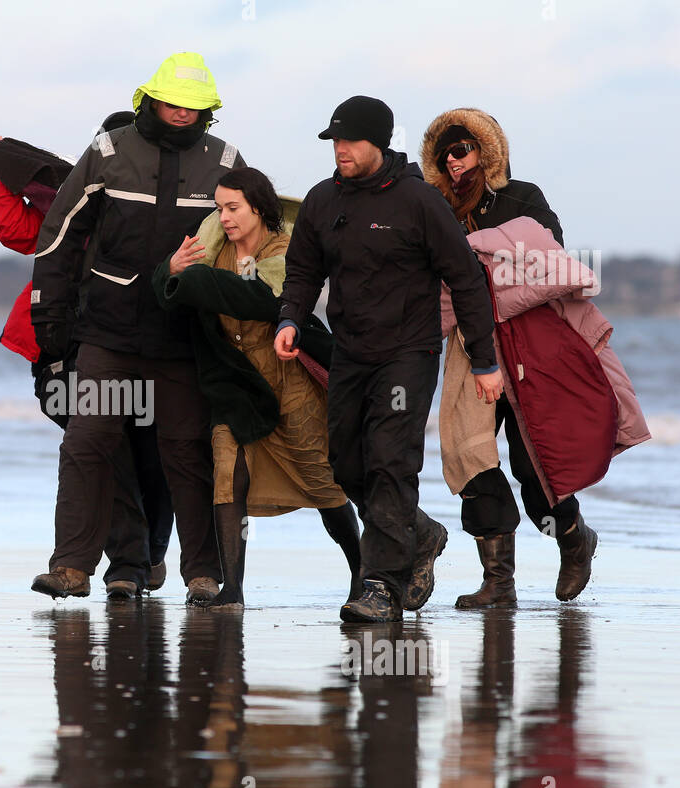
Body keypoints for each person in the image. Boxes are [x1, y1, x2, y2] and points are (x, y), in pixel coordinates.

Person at [274, 95, 502, 623]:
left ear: (378, 142)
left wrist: (486, 362)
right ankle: (420, 534)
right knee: (345, 463)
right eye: (334, 141)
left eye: (349, 141)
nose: (340, 150)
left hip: (407, 354)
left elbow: (466, 278)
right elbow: (304, 270)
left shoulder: (418, 202)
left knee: (390, 462)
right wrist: (289, 318)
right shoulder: (321, 201)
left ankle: (382, 584)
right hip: (351, 351)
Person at [29, 52, 247, 604]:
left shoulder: (223, 159)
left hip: (184, 337)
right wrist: (49, 317)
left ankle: (202, 573)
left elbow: (250, 233)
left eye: (194, 106)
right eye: (173, 101)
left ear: (208, 110)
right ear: (150, 99)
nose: (181, 113)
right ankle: (71, 567)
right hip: (108, 332)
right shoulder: (108, 152)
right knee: (88, 443)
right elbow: (57, 235)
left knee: (186, 451)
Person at [420, 108, 648, 606]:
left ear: (486, 150)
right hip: (468, 349)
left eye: (462, 149)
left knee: (535, 463)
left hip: (533, 344)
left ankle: (573, 539)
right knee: (470, 457)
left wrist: (471, 256)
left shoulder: (524, 197)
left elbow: (550, 261)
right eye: (444, 155)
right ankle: (498, 583)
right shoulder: (436, 210)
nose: (454, 162)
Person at [153, 167, 361, 609]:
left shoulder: (286, 250)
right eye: (219, 209)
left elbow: (258, 297)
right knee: (228, 478)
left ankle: (362, 573)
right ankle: (234, 590)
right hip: (234, 385)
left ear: (259, 207)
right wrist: (169, 270)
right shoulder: (210, 251)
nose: (224, 218)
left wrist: (189, 279)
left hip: (292, 384)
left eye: (234, 208)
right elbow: (169, 293)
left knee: (323, 484)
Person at [0, 123, 175, 596]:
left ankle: (145, 559)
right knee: (104, 449)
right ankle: (131, 563)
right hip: (62, 351)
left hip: (149, 350)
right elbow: (14, 229)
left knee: (152, 457)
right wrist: (4, 162)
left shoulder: (168, 215)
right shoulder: (70, 210)